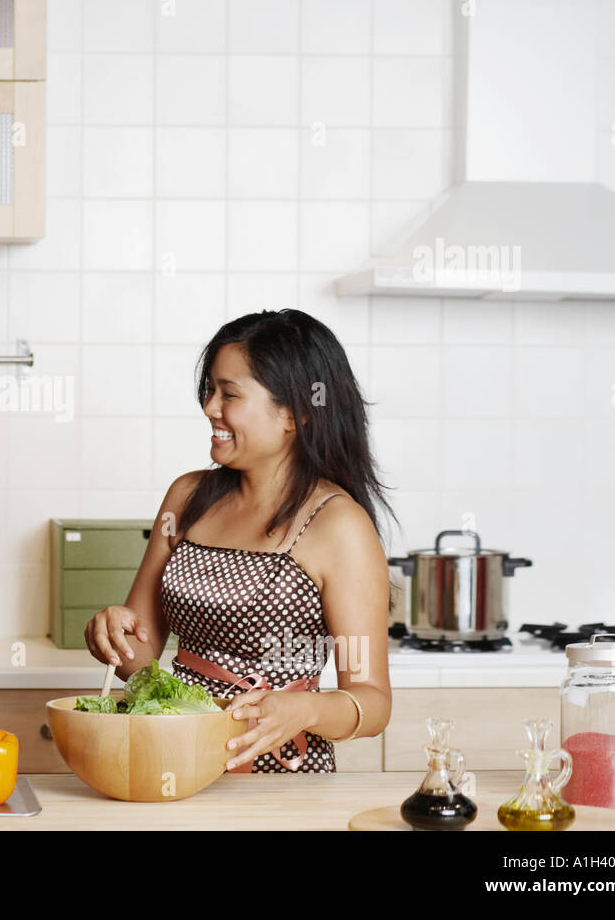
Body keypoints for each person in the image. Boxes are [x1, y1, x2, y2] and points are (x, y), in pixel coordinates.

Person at [84, 309, 394, 773]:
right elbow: (141, 657)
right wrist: (113, 635)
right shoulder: (187, 497)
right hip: (176, 762)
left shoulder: (338, 525)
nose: (210, 408)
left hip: (281, 779)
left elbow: (373, 702)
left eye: (229, 394)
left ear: (297, 413)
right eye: (210, 390)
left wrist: (305, 710)